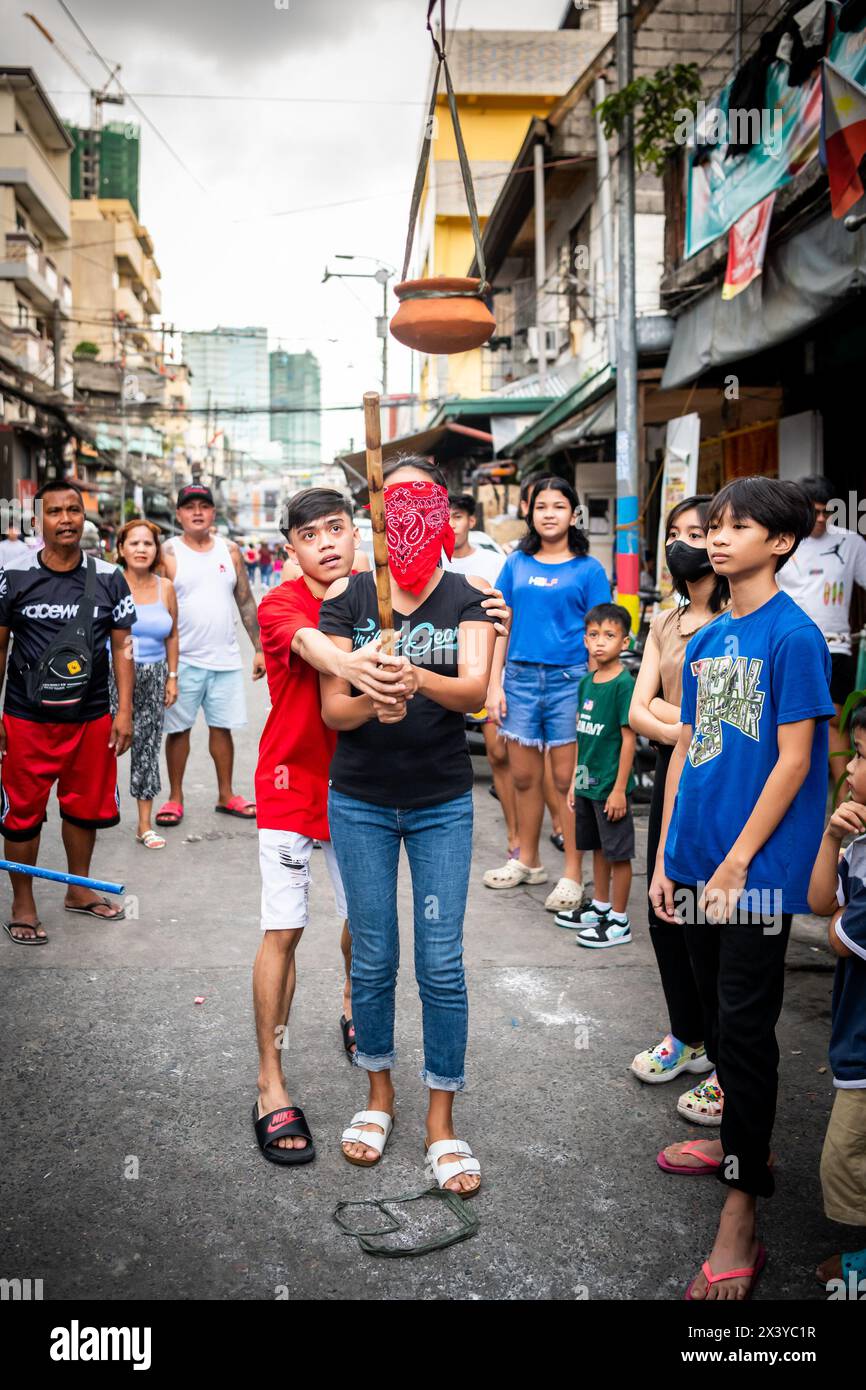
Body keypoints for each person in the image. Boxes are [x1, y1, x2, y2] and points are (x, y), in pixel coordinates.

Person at [650, 476, 834, 1301]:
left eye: (738, 527)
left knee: (749, 1034)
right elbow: (690, 748)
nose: (717, 538)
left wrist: (735, 866)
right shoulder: (710, 636)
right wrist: (666, 858)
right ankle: (740, 1139)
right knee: (714, 1019)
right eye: (713, 526)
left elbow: (795, 763)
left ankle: (741, 1214)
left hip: (749, 875)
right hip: (692, 858)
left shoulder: (793, 638)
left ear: (782, 543)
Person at [319, 456, 503, 1196]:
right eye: (393, 503)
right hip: (359, 797)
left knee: (440, 963)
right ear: (377, 513)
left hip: (440, 803)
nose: (409, 516)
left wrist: (410, 676)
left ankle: (441, 1120)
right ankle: (379, 1098)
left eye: (422, 502)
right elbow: (335, 709)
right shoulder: (349, 595)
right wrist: (372, 694)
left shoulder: (469, 595)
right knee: (372, 957)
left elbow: (473, 692)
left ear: (445, 511)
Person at [251, 488, 415, 1164]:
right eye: (309, 533)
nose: (324, 541)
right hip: (290, 786)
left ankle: (351, 997)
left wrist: (488, 609)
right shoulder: (280, 602)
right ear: (291, 547)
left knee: (365, 925)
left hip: (361, 791)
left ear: (355, 535)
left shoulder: (385, 598)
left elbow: (448, 613)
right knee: (283, 930)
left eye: (336, 528)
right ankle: (269, 1084)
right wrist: (356, 663)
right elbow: (314, 647)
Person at [0, 480, 135, 943]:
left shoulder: (110, 576)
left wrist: (125, 712)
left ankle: (79, 889)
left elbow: (123, 648)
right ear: (39, 522)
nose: (66, 520)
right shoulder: (13, 577)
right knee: (21, 814)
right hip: (25, 720)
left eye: (73, 510)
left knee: (84, 809)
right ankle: (23, 901)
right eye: (55, 512)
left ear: (84, 518)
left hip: (91, 717)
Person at [627, 496, 729, 1108]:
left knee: (711, 922)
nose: (684, 544)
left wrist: (673, 717)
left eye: (698, 532)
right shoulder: (664, 620)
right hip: (673, 768)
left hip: (719, 776)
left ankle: (723, 1051)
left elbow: (716, 726)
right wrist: (678, 725)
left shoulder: (733, 621)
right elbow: (640, 710)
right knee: (664, 909)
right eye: (675, 534)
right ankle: (687, 1036)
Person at [483, 476, 611, 913]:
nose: (550, 513)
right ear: (529, 512)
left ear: (573, 514)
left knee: (566, 781)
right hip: (518, 681)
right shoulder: (516, 563)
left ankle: (573, 874)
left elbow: (602, 635)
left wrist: (598, 689)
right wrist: (494, 682)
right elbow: (502, 623)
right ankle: (528, 861)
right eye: (541, 506)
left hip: (569, 682)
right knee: (522, 778)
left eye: (559, 506)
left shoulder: (589, 570)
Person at [156, 484, 264, 827]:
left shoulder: (229, 551)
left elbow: (245, 601)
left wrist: (259, 648)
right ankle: (175, 797)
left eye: (204, 506)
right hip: (181, 659)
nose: (197, 512)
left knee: (223, 729)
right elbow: (155, 603)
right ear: (179, 515)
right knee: (179, 730)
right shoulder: (168, 553)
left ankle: (226, 794)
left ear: (213, 513)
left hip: (225, 658)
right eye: (190, 507)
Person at [808, 702, 866, 1294]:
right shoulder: (859, 838)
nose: (848, 768)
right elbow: (823, 901)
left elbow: (841, 939)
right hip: (855, 1038)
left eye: (864, 757)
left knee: (845, 1161)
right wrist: (831, 836)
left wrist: (844, 918)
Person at [557, 603, 636, 947]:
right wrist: (575, 780)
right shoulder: (586, 682)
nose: (600, 642)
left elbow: (630, 740)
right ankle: (601, 907)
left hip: (610, 788)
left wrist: (619, 790)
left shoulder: (623, 684)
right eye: (593, 635)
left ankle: (619, 920)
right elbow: (581, 734)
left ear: (625, 642)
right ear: (584, 640)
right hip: (588, 785)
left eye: (609, 635)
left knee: (618, 854)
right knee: (596, 849)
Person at [776, 475, 866, 775]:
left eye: (826, 511)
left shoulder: (850, 542)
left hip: (835, 643)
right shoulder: (782, 540)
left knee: (834, 720)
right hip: (789, 642)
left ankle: (843, 796)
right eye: (814, 511)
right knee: (789, 720)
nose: (820, 518)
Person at [446, 492, 518, 859]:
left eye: (457, 516)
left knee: (497, 753)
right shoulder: (432, 563)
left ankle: (515, 840)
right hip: (440, 675)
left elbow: (503, 622)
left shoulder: (492, 563)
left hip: (486, 673)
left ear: (471, 521)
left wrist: (494, 683)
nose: (451, 524)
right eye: (445, 517)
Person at [112, 520, 179, 851]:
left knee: (147, 749)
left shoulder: (165, 586)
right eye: (134, 543)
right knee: (103, 746)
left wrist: (172, 676)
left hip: (155, 675)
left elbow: (173, 633)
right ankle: (92, 814)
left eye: (148, 544)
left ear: (156, 550)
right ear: (121, 549)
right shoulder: (108, 584)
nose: (141, 549)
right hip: (113, 675)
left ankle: (144, 825)